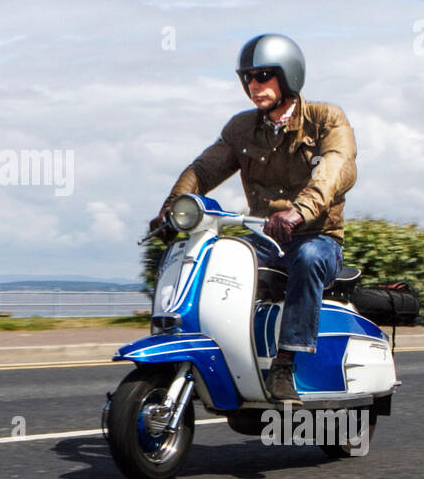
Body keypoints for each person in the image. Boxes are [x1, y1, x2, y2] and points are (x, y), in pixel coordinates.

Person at [152, 34, 357, 404]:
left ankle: (285, 364)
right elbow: (204, 169)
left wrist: (300, 211)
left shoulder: (326, 120)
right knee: (215, 259)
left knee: (308, 259)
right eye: (247, 77)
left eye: (263, 75)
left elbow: (335, 169)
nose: (254, 85)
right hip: (267, 237)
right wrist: (171, 209)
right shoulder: (242, 128)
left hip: (316, 237)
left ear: (289, 76)